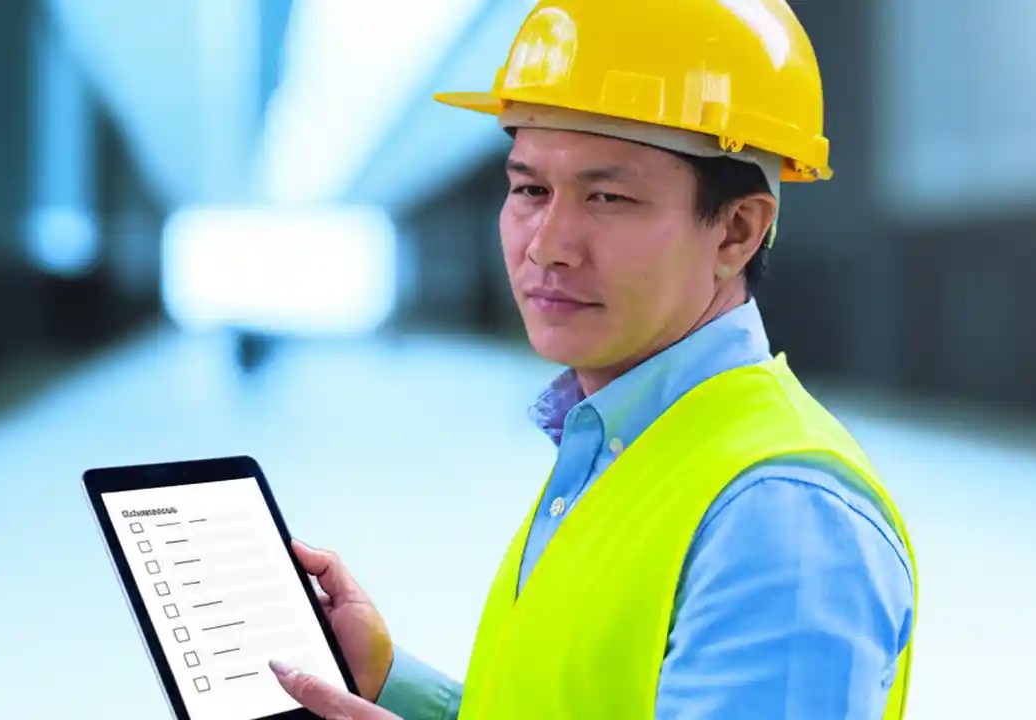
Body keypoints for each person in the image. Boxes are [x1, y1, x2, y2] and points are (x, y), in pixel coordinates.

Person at [268, 1, 918, 718]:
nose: (547, 244)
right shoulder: (619, 445)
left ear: (736, 231)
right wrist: (390, 682)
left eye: (607, 196)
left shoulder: (782, 518)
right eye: (529, 190)